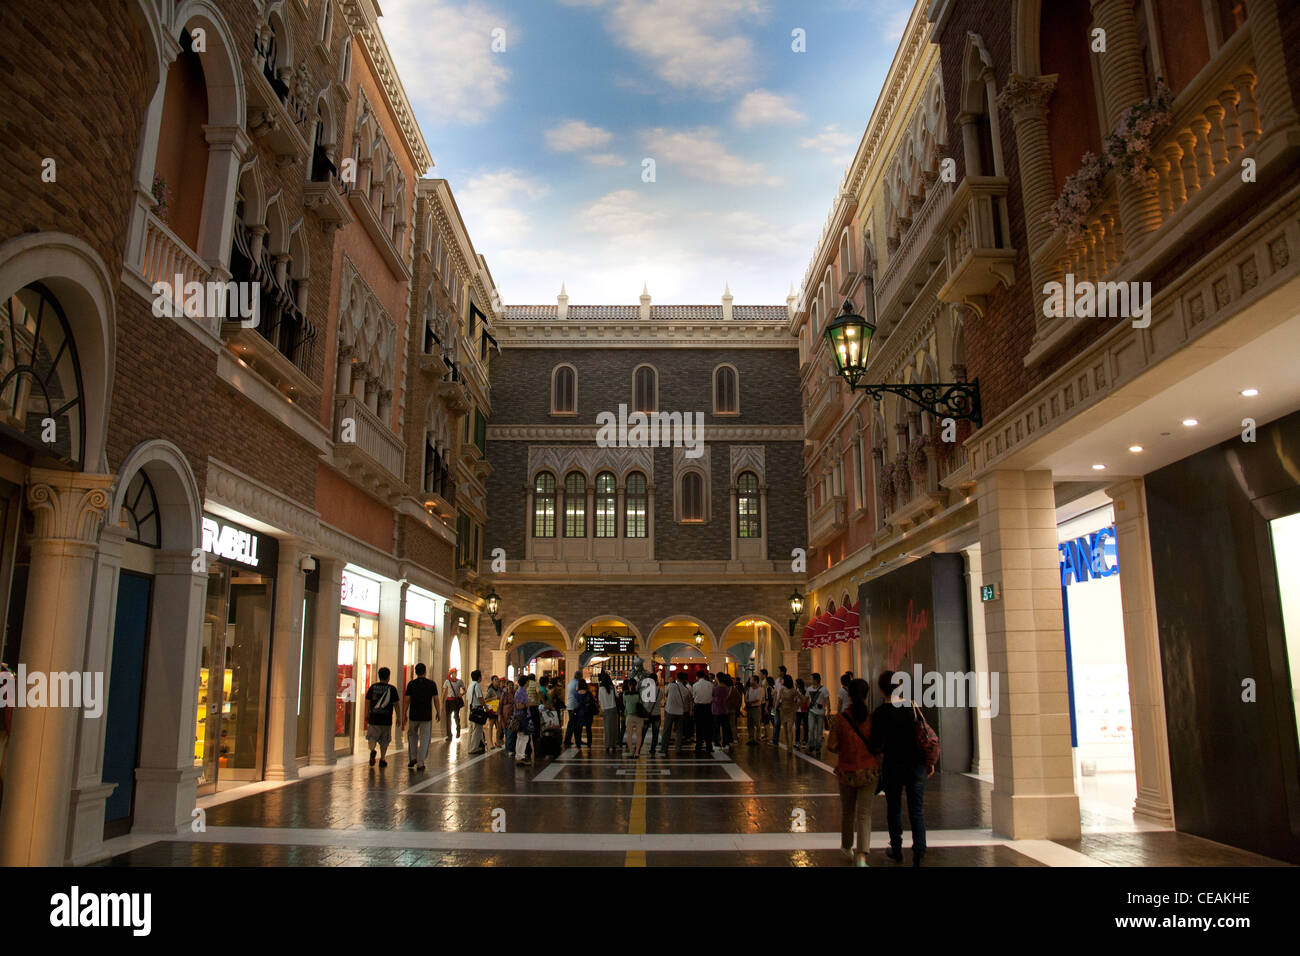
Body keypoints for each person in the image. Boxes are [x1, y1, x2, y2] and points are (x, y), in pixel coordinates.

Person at [870, 669, 931, 866]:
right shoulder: (911, 706)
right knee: (916, 809)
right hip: (916, 764)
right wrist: (929, 763)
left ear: (881, 689)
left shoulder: (879, 714)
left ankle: (896, 848)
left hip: (893, 765)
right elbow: (924, 734)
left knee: (894, 807)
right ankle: (920, 849)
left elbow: (875, 744)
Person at [828, 677, 880, 867]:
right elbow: (879, 744)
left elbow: (831, 745)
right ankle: (861, 856)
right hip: (868, 771)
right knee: (865, 814)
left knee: (848, 812)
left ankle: (846, 846)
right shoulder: (872, 718)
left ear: (848, 695)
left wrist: (844, 746)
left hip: (846, 771)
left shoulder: (841, 719)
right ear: (867, 694)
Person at [401, 662, 437, 771]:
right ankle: (420, 762)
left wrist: (404, 714)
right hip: (426, 715)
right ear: (425, 671)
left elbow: (407, 700)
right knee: (424, 738)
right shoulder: (431, 684)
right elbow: (436, 699)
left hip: (413, 715)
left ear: (415, 672)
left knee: (412, 735)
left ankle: (413, 757)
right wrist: (439, 712)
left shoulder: (411, 684)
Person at [364, 667, 399, 767]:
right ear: (388, 677)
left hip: (374, 718)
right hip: (386, 719)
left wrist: (367, 713)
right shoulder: (392, 689)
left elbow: (367, 700)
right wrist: (399, 716)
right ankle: (382, 759)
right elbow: (396, 704)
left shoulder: (373, 687)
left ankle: (372, 750)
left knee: (372, 737)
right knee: (384, 740)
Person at [661, 670, 691, 755]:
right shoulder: (686, 690)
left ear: (677, 678)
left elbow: (666, 694)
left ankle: (664, 749)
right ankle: (678, 749)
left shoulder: (671, 686)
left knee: (667, 730)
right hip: (680, 712)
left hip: (670, 710)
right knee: (679, 732)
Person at [514, 675, 535, 766]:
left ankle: (519, 755)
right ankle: (520, 756)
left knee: (520, 736)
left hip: (522, 716)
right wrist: (528, 704)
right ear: (525, 682)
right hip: (522, 716)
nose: (529, 683)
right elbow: (519, 706)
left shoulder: (521, 691)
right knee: (524, 737)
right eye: (528, 681)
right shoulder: (521, 692)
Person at [806, 673, 829, 757]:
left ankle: (818, 747)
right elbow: (806, 699)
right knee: (811, 729)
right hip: (811, 712)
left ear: (816, 680)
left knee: (819, 731)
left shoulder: (824, 689)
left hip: (820, 713)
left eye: (811, 679)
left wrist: (828, 710)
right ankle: (811, 746)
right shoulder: (809, 689)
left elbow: (827, 700)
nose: (810, 680)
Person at [692, 670, 715, 754]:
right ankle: (709, 746)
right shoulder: (710, 685)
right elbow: (712, 695)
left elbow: (694, 696)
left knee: (699, 728)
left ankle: (698, 747)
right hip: (708, 707)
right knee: (708, 727)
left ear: (697, 676)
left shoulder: (695, 685)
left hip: (698, 707)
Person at [623, 677, 645, 756]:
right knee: (639, 735)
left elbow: (624, 704)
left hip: (629, 716)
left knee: (629, 735)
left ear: (628, 685)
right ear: (636, 685)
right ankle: (637, 752)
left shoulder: (625, 694)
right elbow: (642, 703)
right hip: (639, 716)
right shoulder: (639, 694)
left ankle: (631, 752)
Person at [467, 669, 487, 754]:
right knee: (477, 729)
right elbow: (480, 698)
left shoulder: (470, 685)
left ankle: (470, 746)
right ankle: (474, 748)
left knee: (471, 729)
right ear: (479, 677)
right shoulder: (477, 685)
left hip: (471, 709)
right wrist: (485, 706)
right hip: (477, 709)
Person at [598, 672, 620, 753]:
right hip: (613, 709)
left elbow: (600, 699)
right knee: (614, 728)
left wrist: (602, 708)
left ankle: (607, 745)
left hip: (605, 710)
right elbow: (617, 697)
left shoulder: (601, 689)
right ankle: (613, 745)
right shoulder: (612, 687)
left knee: (607, 728)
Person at [443, 668, 466, 741]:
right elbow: (444, 692)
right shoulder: (447, 682)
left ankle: (458, 729)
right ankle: (449, 735)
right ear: (451, 674)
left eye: (456, 672)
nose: (456, 674)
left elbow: (464, 690)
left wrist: (461, 694)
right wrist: (441, 702)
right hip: (449, 700)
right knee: (448, 718)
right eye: (454, 672)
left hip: (456, 700)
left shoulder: (459, 681)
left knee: (456, 716)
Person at [777, 674, 798, 753]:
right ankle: (787, 745)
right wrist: (774, 710)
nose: (781, 681)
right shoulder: (782, 690)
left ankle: (790, 747)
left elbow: (800, 699)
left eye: (782, 680)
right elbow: (778, 699)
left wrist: (796, 706)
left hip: (791, 711)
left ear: (786, 681)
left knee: (789, 729)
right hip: (783, 711)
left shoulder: (793, 690)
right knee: (785, 729)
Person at [711, 672, 732, 752]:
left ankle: (717, 743)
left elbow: (712, 697)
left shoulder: (715, 688)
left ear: (718, 678)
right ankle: (726, 743)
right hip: (725, 710)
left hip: (716, 710)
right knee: (725, 728)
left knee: (716, 728)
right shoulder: (727, 688)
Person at [563, 670, 582, 749]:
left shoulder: (570, 683)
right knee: (575, 724)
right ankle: (577, 741)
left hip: (570, 705)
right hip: (574, 706)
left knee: (571, 723)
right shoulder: (577, 683)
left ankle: (567, 740)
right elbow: (578, 694)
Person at [574, 677, 595, 749]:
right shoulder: (589, 693)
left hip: (580, 712)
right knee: (588, 729)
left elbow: (575, 703)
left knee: (579, 728)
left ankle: (578, 743)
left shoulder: (576, 694)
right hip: (588, 712)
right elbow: (592, 701)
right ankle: (589, 743)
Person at [500, 677, 517, 756]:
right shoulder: (504, 694)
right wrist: (500, 715)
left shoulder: (514, 694)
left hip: (512, 716)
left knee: (512, 732)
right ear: (506, 686)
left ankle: (511, 749)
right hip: (505, 716)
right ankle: (508, 749)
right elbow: (500, 705)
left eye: (512, 686)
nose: (511, 687)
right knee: (507, 732)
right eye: (509, 686)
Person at [744, 676, 763, 745]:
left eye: (751, 680)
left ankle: (758, 738)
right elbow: (746, 696)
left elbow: (758, 699)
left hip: (756, 708)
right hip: (749, 708)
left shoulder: (760, 689)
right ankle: (751, 738)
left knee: (757, 723)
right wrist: (746, 701)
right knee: (749, 724)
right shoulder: (749, 689)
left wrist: (749, 702)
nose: (750, 681)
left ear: (755, 681)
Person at [485, 675, 502, 749]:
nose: (497, 681)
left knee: (499, 727)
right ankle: (490, 743)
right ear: (492, 681)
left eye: (497, 680)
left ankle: (497, 741)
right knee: (491, 726)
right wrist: (494, 698)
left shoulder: (499, 689)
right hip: (492, 710)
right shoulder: (490, 690)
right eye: (495, 680)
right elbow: (486, 700)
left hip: (497, 710)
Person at [794, 678, 810, 750]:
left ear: (799, 684)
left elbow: (804, 700)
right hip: (798, 711)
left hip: (805, 710)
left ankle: (805, 741)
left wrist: (799, 700)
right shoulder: (796, 690)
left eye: (796, 683)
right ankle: (797, 741)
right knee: (797, 726)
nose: (795, 684)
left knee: (805, 726)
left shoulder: (806, 690)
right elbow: (795, 699)